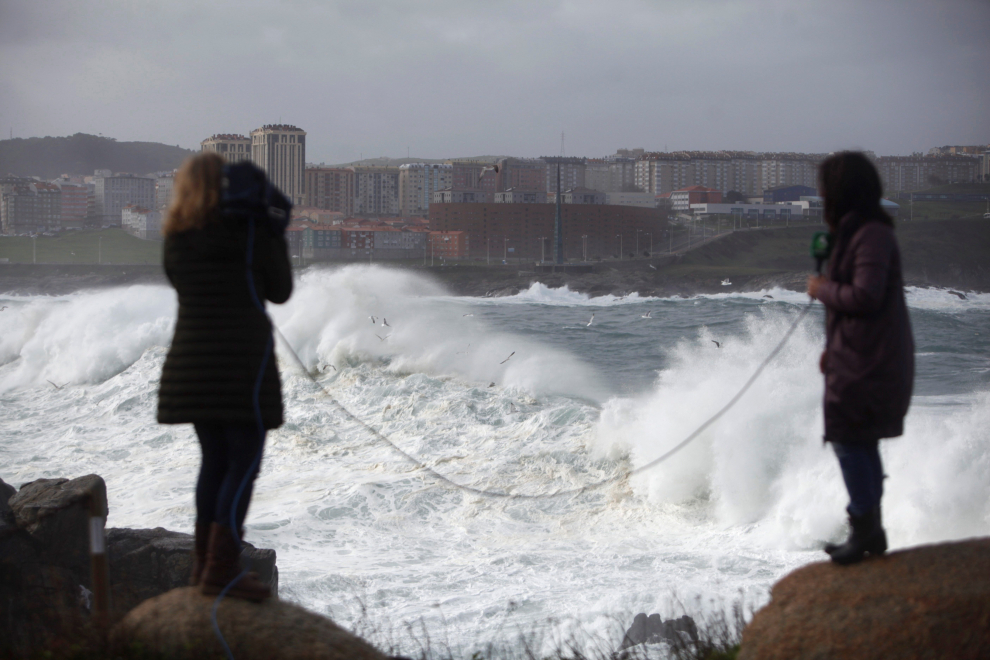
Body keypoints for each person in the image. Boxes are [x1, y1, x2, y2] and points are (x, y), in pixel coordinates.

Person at [157, 153, 292, 600]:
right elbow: (280, 290)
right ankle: (221, 569)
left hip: (190, 364)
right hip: (241, 366)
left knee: (214, 461)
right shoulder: (249, 232)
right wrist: (271, 227)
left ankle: (204, 566)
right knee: (244, 464)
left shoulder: (176, 238)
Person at [807, 151, 914, 565]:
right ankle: (871, 529)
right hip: (859, 356)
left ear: (841, 191)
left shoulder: (871, 235)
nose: (821, 196)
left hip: (872, 361)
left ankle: (864, 525)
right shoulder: (856, 233)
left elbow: (866, 297)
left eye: (825, 188)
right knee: (858, 439)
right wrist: (832, 349)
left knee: (849, 438)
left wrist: (821, 289)